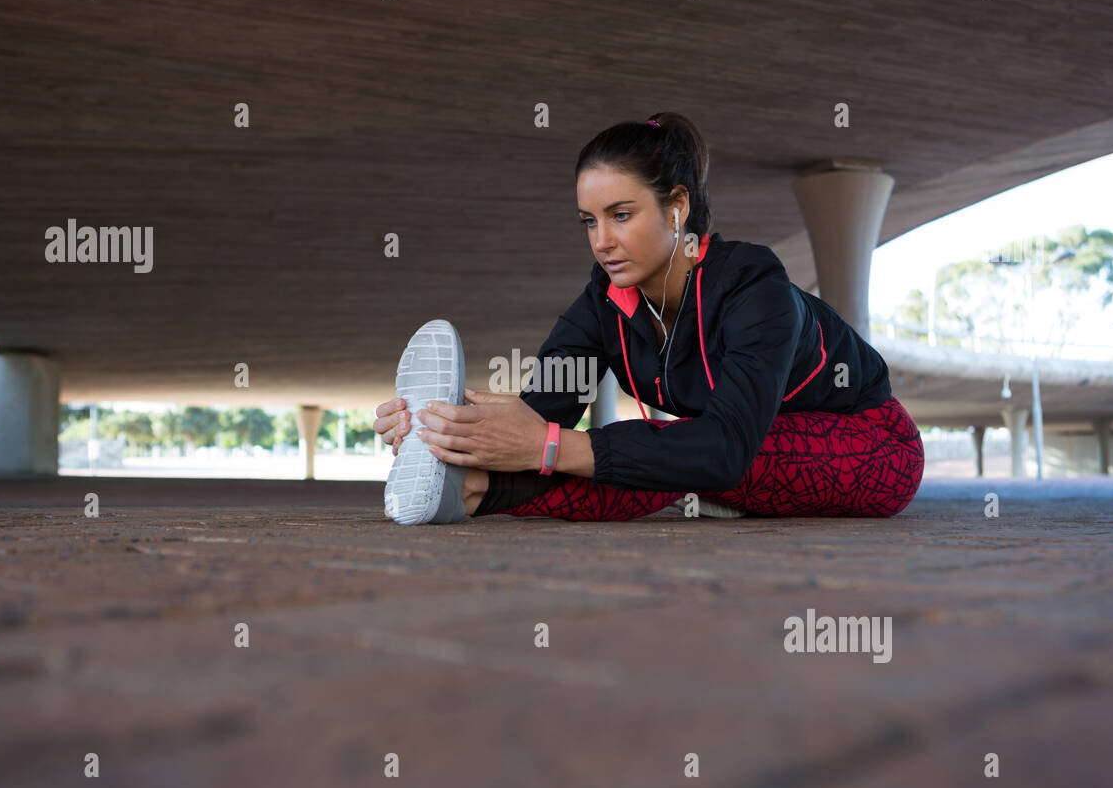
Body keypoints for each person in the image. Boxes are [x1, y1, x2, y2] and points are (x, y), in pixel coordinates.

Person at [376, 112, 924, 524]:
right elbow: (542, 416)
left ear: (676, 208)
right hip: (723, 451)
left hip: (871, 447)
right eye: (589, 221)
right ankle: (466, 487)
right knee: (643, 456)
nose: (602, 242)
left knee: (681, 455)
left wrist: (544, 444)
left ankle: (474, 490)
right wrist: (453, 425)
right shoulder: (602, 303)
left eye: (621, 215)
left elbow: (726, 449)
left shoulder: (756, 289)